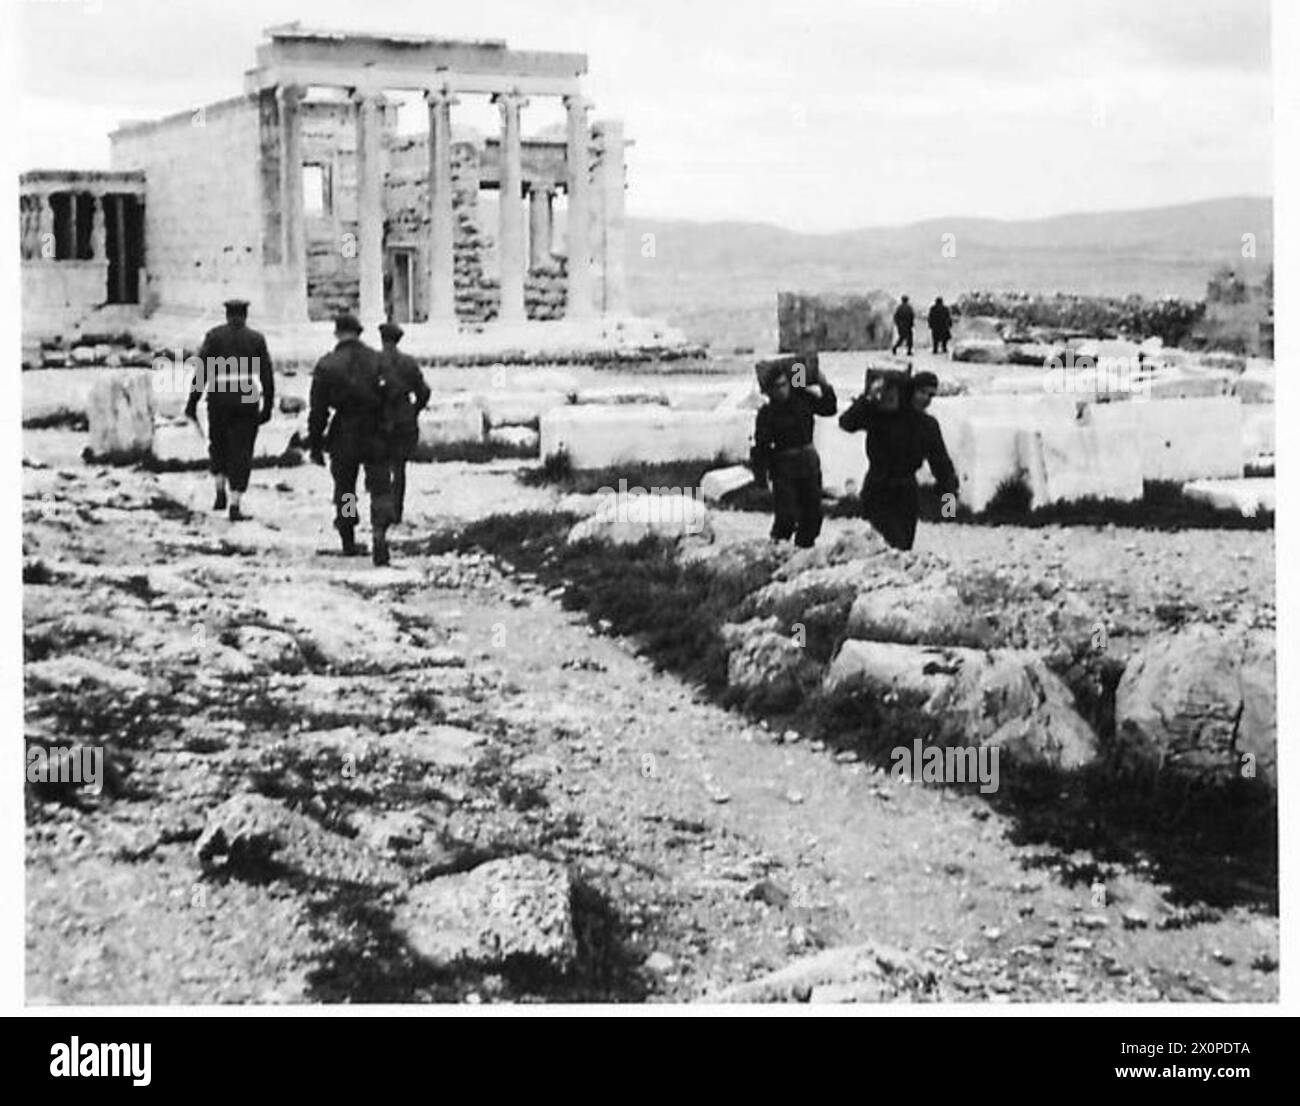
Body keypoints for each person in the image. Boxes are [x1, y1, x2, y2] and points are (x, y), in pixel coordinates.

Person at [307, 314, 396, 566]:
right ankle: (379, 531)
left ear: (337, 333)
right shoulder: (378, 360)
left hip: (344, 431)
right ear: (359, 333)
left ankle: (348, 536)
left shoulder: (327, 364)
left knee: (346, 489)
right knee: (380, 487)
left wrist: (315, 444)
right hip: (375, 430)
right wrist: (391, 430)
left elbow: (318, 411)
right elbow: (392, 396)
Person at [838, 369, 958, 551]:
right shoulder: (882, 414)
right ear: (910, 391)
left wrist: (948, 504)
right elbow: (847, 423)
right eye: (922, 392)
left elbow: (941, 464)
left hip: (906, 492)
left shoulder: (928, 425)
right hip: (877, 488)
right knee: (881, 546)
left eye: (930, 395)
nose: (926, 399)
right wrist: (868, 397)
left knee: (903, 548)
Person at [185, 298, 274, 521]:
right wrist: (268, 406)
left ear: (227, 315)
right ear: (245, 315)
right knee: (242, 450)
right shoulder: (256, 339)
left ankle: (219, 491)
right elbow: (266, 374)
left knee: (218, 444)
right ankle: (235, 503)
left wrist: (192, 402)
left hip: (219, 396)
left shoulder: (214, 336)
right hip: (246, 397)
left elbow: (202, 372)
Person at [750, 353, 838, 549]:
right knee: (786, 516)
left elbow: (829, 408)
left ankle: (803, 550)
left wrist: (824, 384)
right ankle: (777, 550)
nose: (782, 390)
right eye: (776, 387)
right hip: (784, 467)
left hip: (808, 462)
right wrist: (760, 479)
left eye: (784, 384)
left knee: (812, 514)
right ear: (768, 391)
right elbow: (761, 448)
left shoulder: (803, 399)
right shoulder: (767, 414)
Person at [376, 322, 431, 525]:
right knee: (399, 469)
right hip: (403, 421)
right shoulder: (408, 363)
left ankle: (371, 515)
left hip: (380, 422)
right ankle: (396, 511)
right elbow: (424, 392)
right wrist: (413, 411)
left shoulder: (373, 362)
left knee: (376, 471)